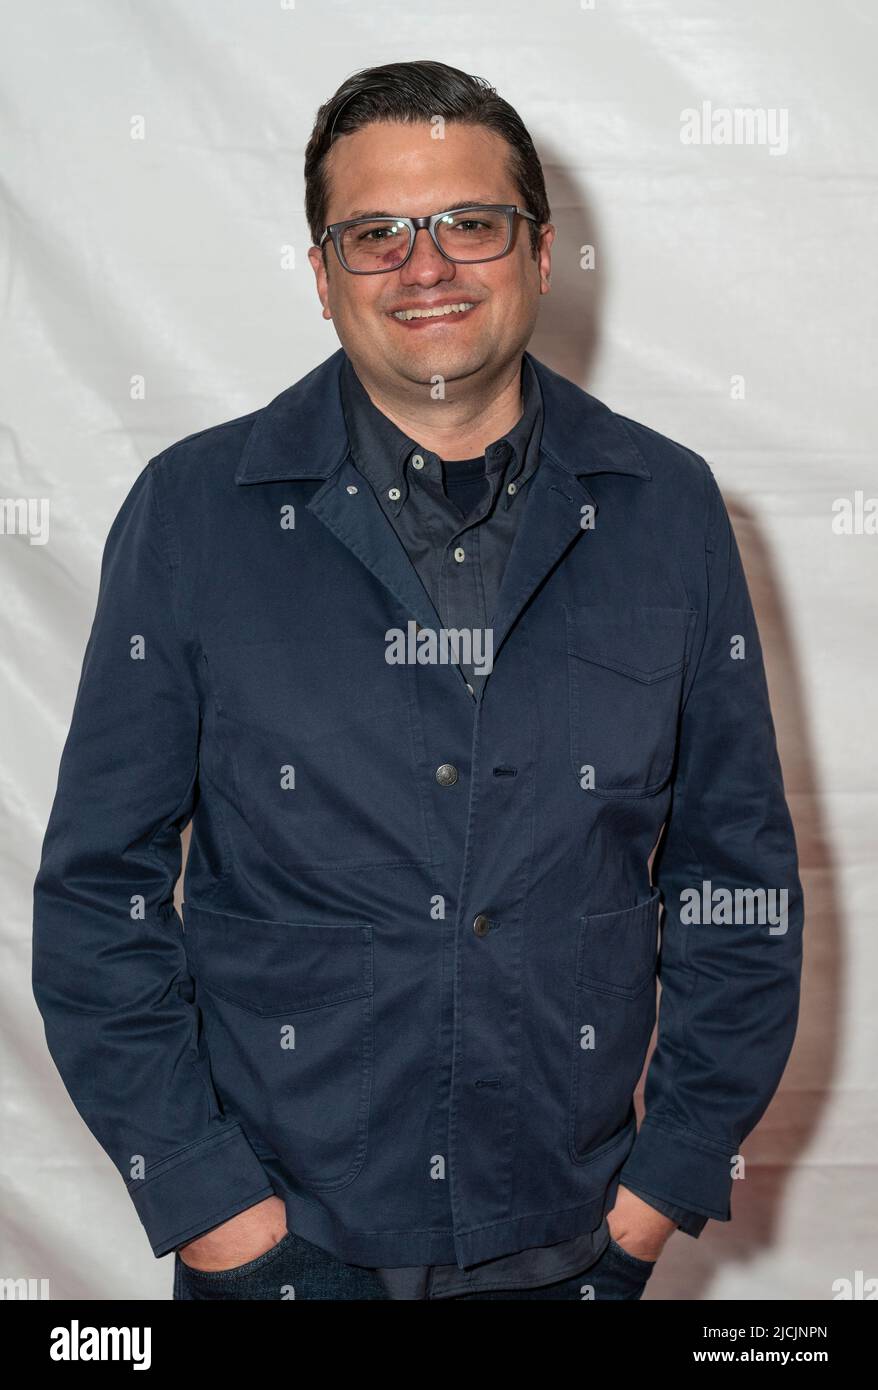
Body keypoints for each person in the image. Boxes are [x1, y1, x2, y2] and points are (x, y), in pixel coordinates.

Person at [32, 60, 804, 1301]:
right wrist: (213, 1210)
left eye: (468, 223)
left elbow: (736, 885)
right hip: (279, 1251)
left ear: (539, 253)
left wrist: (655, 1197)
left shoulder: (667, 510)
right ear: (322, 274)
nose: (424, 265)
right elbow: (95, 898)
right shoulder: (190, 513)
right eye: (376, 233)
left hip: (571, 1248)